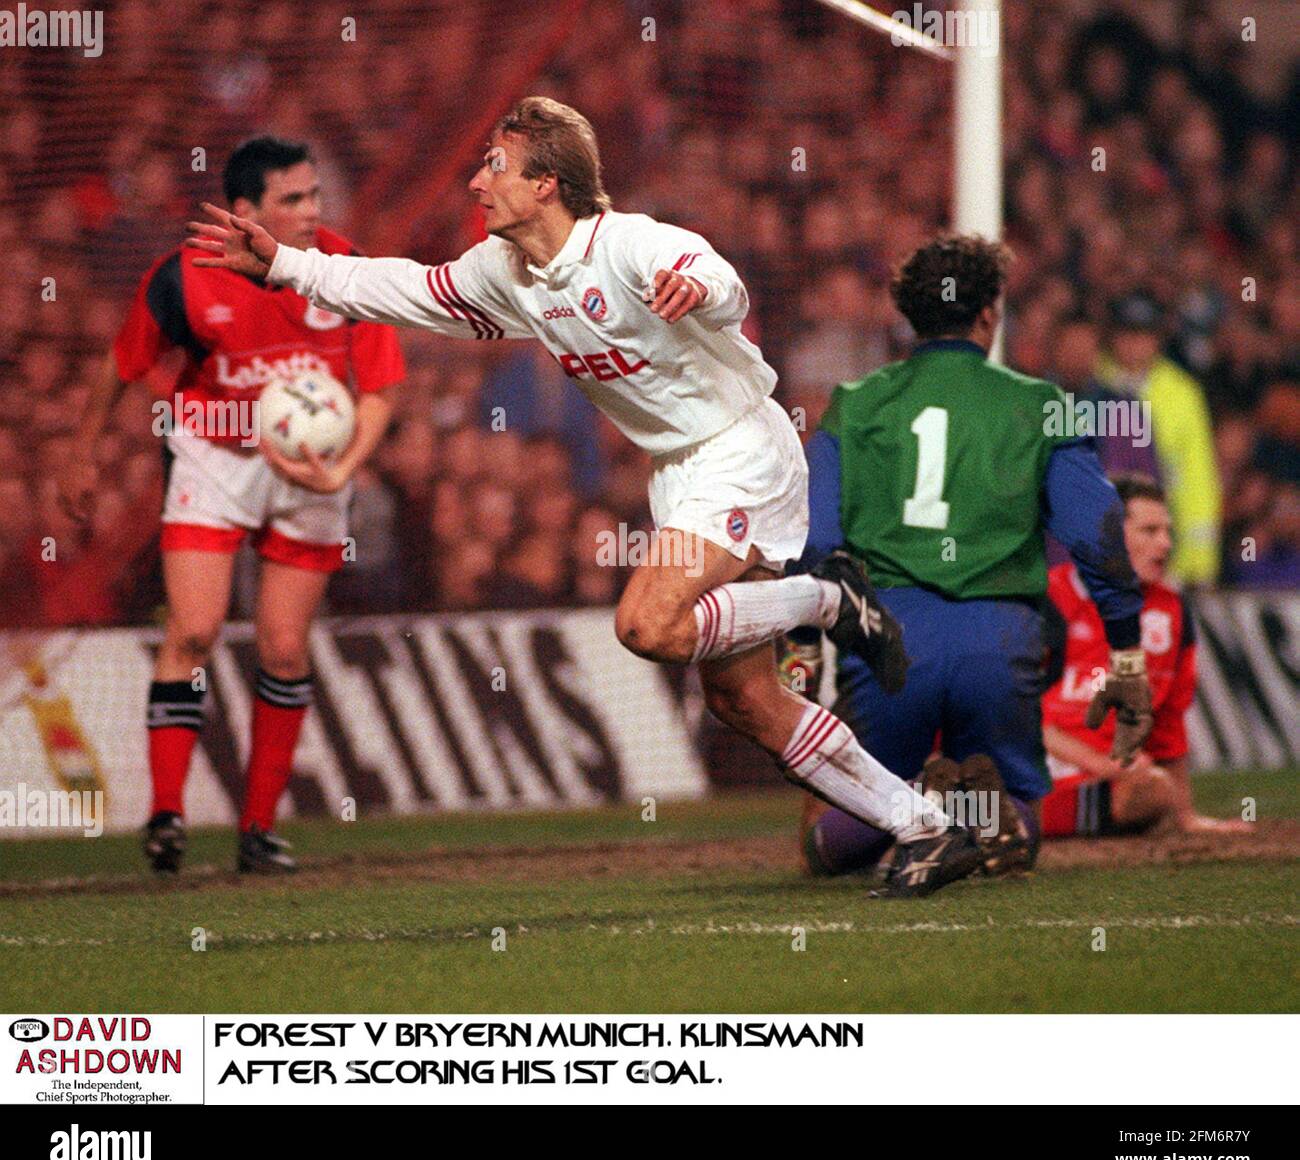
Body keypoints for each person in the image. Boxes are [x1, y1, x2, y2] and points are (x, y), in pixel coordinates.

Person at [187, 96, 982, 897]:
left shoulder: (631, 245)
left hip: (741, 448)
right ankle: (928, 826)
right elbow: (397, 287)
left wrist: (699, 291)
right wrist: (286, 266)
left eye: (494, 165)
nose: (475, 181)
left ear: (546, 184)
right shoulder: (506, 275)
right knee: (741, 698)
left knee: (646, 623)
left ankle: (826, 598)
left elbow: (721, 282)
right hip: (681, 472)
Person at [58, 136, 406, 874]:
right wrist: (81, 452)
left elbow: (379, 388)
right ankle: (165, 817)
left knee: (283, 645)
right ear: (246, 211)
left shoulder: (343, 271)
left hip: (310, 466)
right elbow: (121, 364)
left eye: (315, 194)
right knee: (194, 630)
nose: (314, 210)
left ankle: (256, 829)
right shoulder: (184, 277)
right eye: (294, 199)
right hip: (213, 453)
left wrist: (340, 467)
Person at [791, 235, 1152, 878]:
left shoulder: (855, 404)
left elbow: (813, 539)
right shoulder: (1044, 406)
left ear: (910, 315)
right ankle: (989, 814)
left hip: (889, 644)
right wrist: (1125, 653)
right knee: (1013, 805)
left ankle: (913, 808)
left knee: (835, 837)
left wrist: (802, 644)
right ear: (990, 314)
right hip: (999, 640)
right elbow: (1097, 537)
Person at [1040, 472, 1252, 837]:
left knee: (1154, 791)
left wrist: (1184, 814)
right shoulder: (1051, 598)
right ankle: (1027, 813)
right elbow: (1015, 714)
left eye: (1168, 531)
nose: (1166, 544)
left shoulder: (1171, 611)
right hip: (1044, 760)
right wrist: (1100, 763)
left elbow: (1168, 721)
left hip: (1120, 779)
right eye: (1150, 531)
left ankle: (1028, 820)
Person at [1098, 292, 1222, 585]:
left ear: (1157, 338)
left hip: (1165, 548)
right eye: (1127, 333)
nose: (1135, 343)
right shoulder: (1092, 381)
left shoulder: (1182, 392)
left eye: (1144, 334)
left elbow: (1198, 477)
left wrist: (1199, 562)